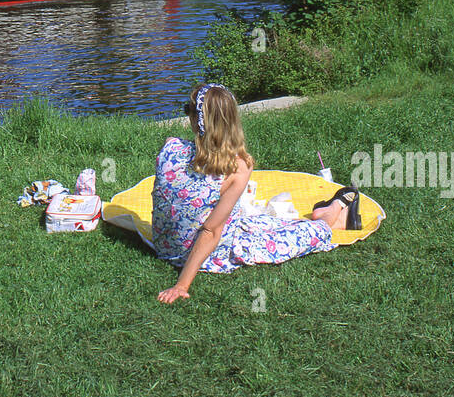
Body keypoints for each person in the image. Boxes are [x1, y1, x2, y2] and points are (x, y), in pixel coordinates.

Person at [154, 83, 360, 303]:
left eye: (189, 110)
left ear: (196, 120)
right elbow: (211, 231)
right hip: (203, 255)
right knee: (294, 237)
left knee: (260, 223)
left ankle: (323, 215)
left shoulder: (170, 147)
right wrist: (181, 285)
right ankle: (330, 215)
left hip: (166, 247)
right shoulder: (237, 168)